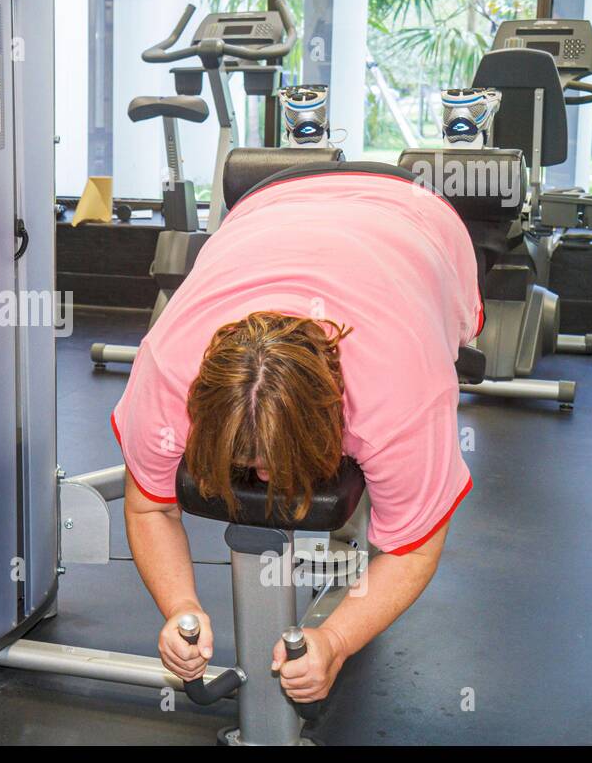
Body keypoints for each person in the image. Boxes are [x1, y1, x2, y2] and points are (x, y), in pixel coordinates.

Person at [111, 164, 481, 704]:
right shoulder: (168, 370)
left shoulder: (403, 394)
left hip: (416, 216)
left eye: (277, 461)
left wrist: (334, 640)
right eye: (245, 457)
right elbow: (151, 508)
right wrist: (179, 608)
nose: (261, 479)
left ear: (337, 418)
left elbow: (412, 550)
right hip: (268, 203)